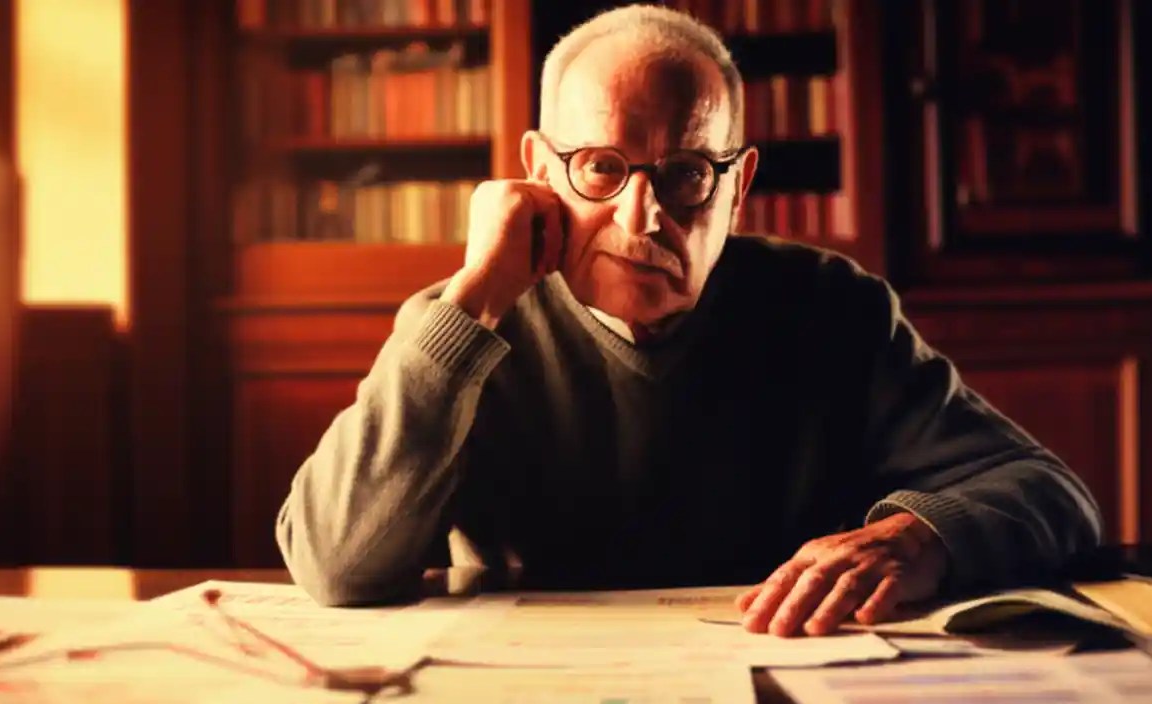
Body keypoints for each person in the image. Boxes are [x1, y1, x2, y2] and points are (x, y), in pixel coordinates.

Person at [276, 4, 1102, 637]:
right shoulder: (466, 325)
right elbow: (336, 566)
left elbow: (1054, 494)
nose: (642, 217)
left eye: (684, 175)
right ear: (538, 171)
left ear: (738, 187)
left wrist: (921, 536)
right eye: (600, 168)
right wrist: (473, 298)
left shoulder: (834, 310)